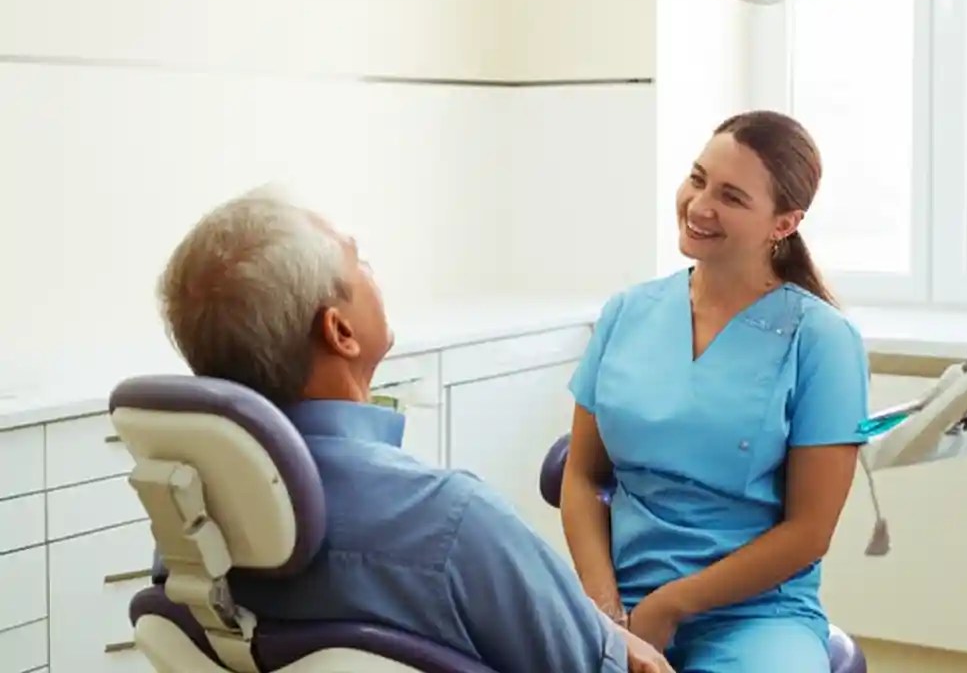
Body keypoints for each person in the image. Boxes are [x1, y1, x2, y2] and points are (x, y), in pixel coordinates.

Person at [154, 187, 674, 673]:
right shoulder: (450, 523)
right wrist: (607, 638)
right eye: (359, 263)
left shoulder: (188, 534)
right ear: (340, 331)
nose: (372, 274)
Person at [560, 111, 870, 672]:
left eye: (731, 196)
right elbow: (582, 476)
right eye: (697, 179)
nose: (700, 205)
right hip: (616, 604)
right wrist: (606, 612)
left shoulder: (822, 341)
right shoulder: (627, 313)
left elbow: (808, 532)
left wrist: (673, 605)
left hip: (755, 616)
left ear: (784, 223)